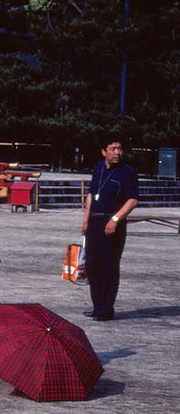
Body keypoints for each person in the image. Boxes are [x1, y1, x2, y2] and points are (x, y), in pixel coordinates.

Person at [81, 134, 139, 322]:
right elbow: (91, 195)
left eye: (120, 149)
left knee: (109, 266)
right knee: (92, 265)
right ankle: (97, 306)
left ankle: (106, 309)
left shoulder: (128, 172)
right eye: (113, 149)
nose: (117, 153)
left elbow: (132, 200)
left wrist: (115, 219)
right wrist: (86, 220)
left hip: (113, 224)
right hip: (94, 222)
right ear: (103, 152)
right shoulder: (98, 168)